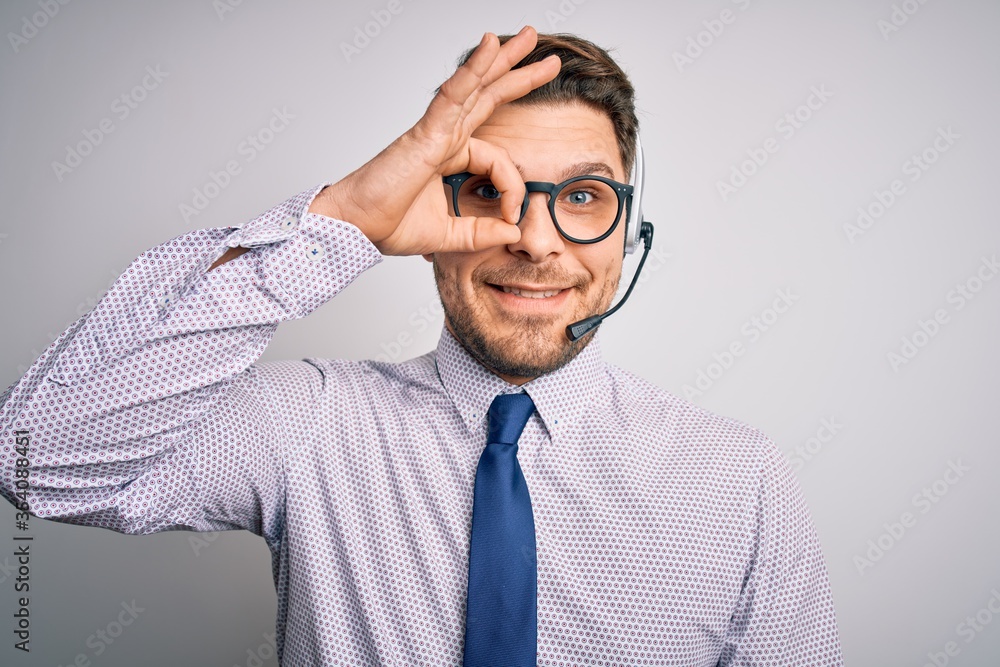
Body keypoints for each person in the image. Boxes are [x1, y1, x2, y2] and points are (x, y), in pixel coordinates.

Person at [1, 26, 843, 666]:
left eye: (584, 197)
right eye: (490, 189)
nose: (536, 242)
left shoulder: (741, 482)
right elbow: (37, 459)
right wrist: (346, 221)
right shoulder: (310, 424)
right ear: (434, 219)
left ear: (626, 232)